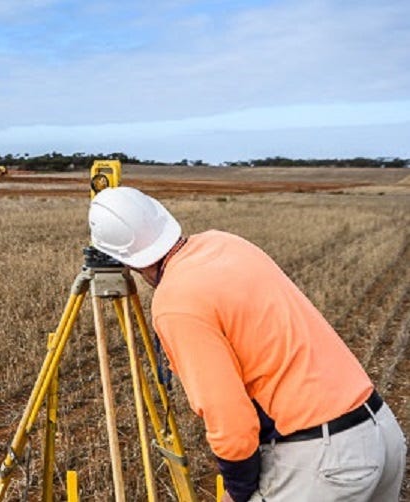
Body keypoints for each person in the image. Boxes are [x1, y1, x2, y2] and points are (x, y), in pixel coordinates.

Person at [87, 186, 406, 502]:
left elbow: (227, 415)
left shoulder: (175, 301)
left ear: (122, 259)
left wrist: (238, 490)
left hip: (325, 460)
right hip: (380, 430)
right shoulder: (225, 242)